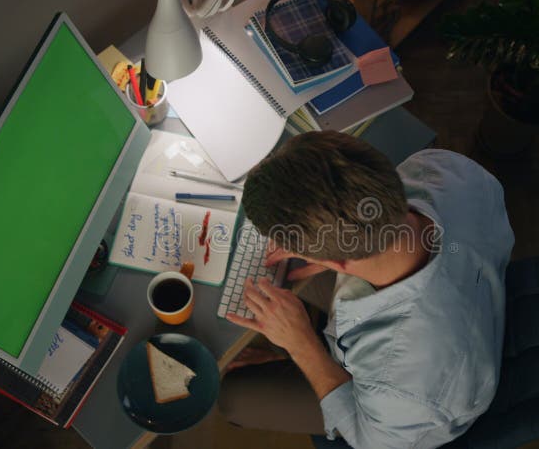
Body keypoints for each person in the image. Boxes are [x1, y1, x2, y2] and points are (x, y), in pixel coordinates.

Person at [220, 131, 514, 448]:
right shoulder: (440, 168)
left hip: (398, 414)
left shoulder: (405, 384)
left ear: (339, 261)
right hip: (444, 284)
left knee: (233, 396)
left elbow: (369, 439)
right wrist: (330, 252)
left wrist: (302, 346)